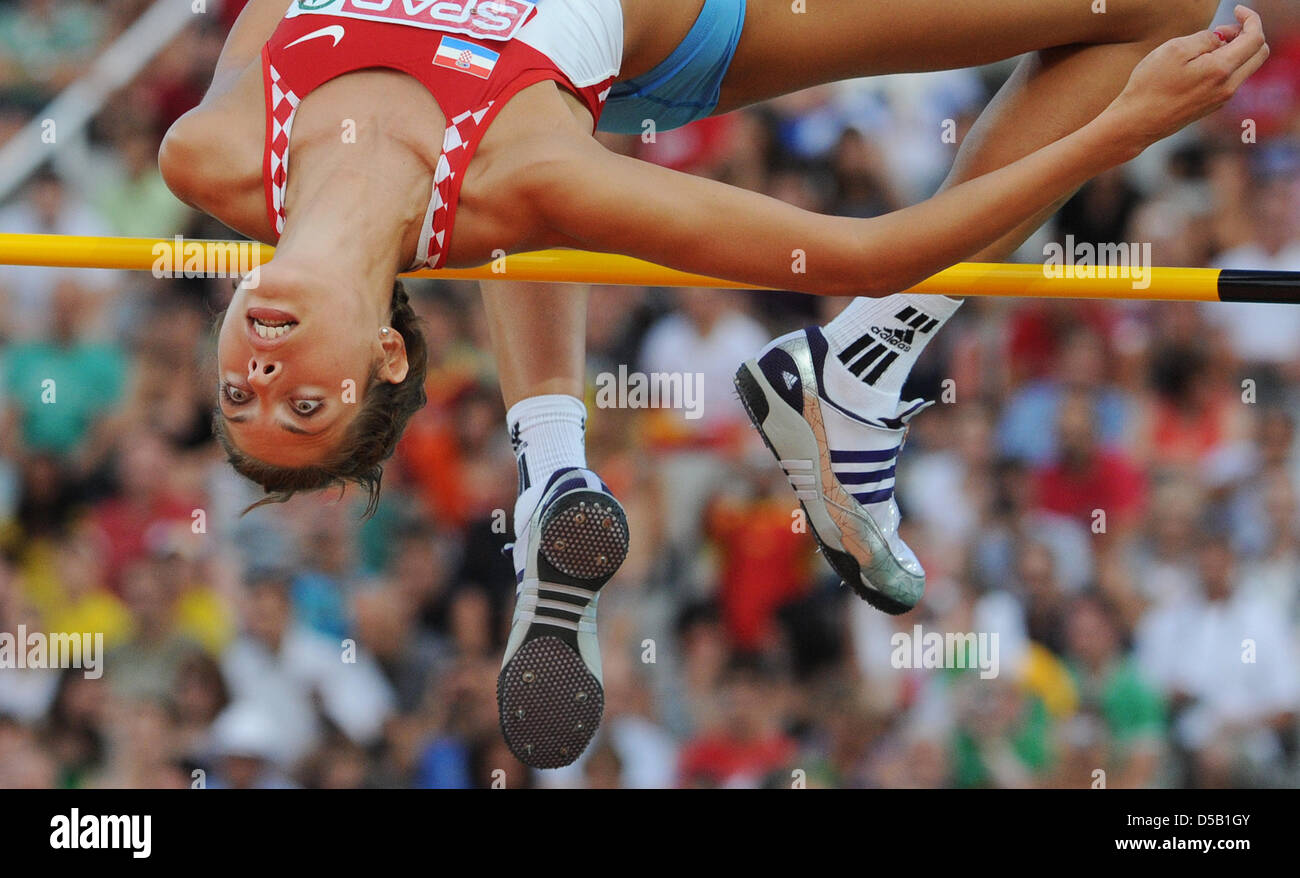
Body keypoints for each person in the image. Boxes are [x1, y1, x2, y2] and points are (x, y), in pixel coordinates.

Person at [159, 0, 1269, 768]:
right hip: (689, 28)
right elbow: (864, 252)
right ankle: (859, 365)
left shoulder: (210, 151)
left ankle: (553, 462)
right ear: (385, 356)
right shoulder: (521, 175)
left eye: (242, 398)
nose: (262, 372)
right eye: (306, 402)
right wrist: (1119, 130)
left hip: (554, 106)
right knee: (1159, 8)